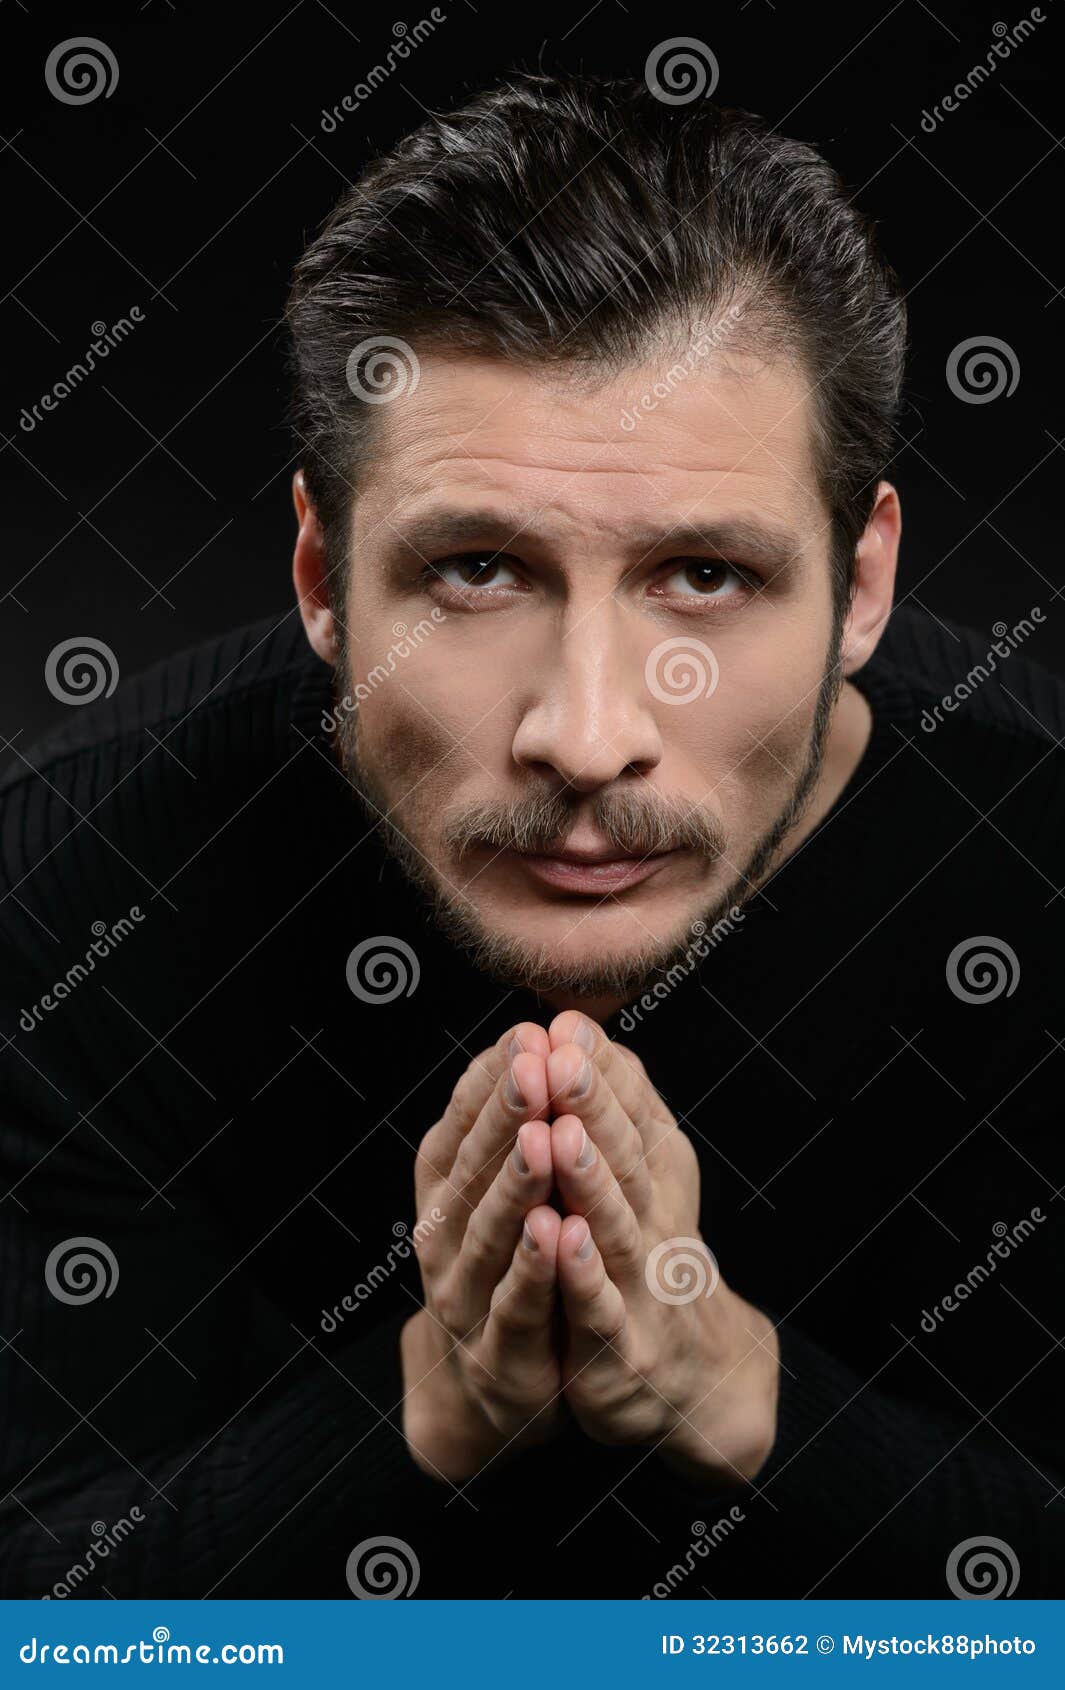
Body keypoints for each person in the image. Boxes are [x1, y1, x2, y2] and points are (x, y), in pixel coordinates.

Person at [1, 71, 1061, 1600]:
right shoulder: (73, 888)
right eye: (479, 569)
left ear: (865, 583)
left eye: (701, 573)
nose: (580, 733)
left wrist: (740, 1394)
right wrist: (432, 1398)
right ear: (319, 574)